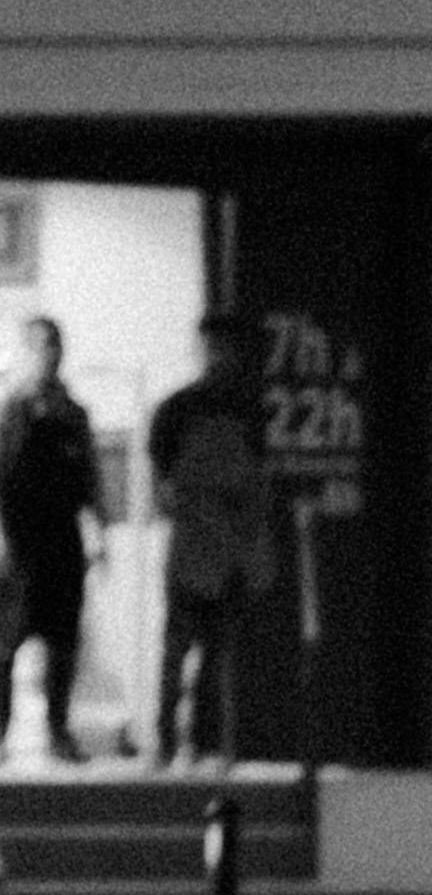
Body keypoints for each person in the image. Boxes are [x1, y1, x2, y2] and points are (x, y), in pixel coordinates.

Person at [149, 311, 274, 768]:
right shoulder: (176, 410)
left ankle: (209, 744)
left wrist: (250, 549)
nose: (218, 357)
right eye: (211, 347)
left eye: (225, 348)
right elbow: (163, 489)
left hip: (231, 553)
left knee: (220, 655)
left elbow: (260, 485)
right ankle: (166, 743)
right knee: (177, 650)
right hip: (191, 549)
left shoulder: (250, 411)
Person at [0, 316, 102, 765]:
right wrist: (0, 538)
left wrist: (97, 533)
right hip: (20, 544)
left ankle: (58, 732)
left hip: (62, 542)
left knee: (62, 644)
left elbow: (88, 477)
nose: (47, 355)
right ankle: (0, 737)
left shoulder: (72, 413)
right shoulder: (11, 411)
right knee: (7, 645)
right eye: (38, 346)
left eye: (53, 346)